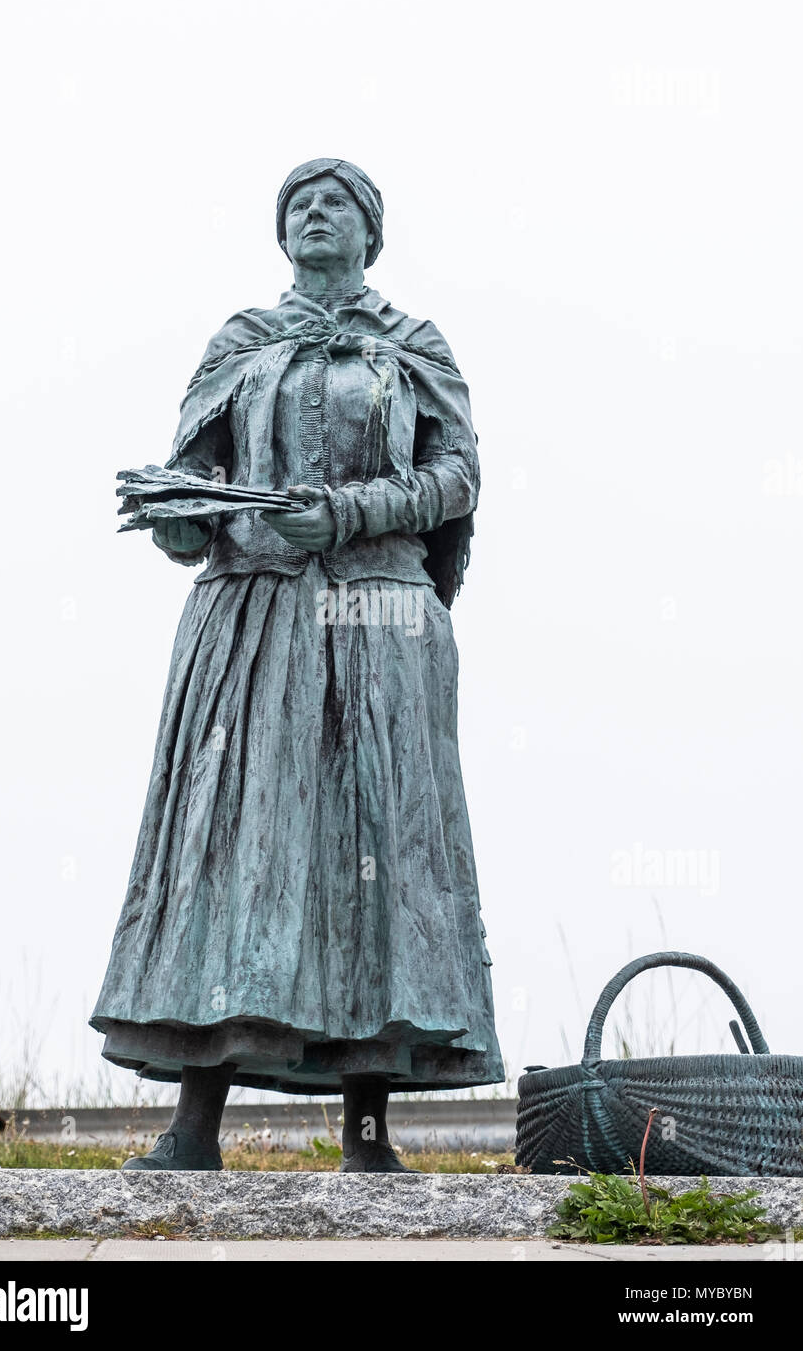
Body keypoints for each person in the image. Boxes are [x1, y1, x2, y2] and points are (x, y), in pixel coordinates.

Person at [90, 158, 504, 1172]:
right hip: (254, 613)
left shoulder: (413, 346)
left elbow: (456, 475)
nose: (316, 215)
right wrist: (183, 518)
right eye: (298, 205)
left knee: (379, 852)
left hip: (380, 615)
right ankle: (192, 1128)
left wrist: (353, 511)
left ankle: (369, 1131)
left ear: (370, 233)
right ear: (282, 236)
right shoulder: (241, 342)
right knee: (242, 846)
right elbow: (194, 484)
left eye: (337, 204)